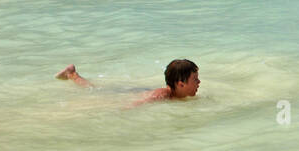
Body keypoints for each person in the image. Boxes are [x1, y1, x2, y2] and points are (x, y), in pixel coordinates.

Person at [56, 59, 200, 105]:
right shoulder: (161, 95)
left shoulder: (176, 96)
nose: (199, 82)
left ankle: (73, 74)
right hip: (128, 94)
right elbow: (137, 104)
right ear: (181, 84)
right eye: (195, 79)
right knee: (94, 90)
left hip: (139, 90)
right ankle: (72, 74)